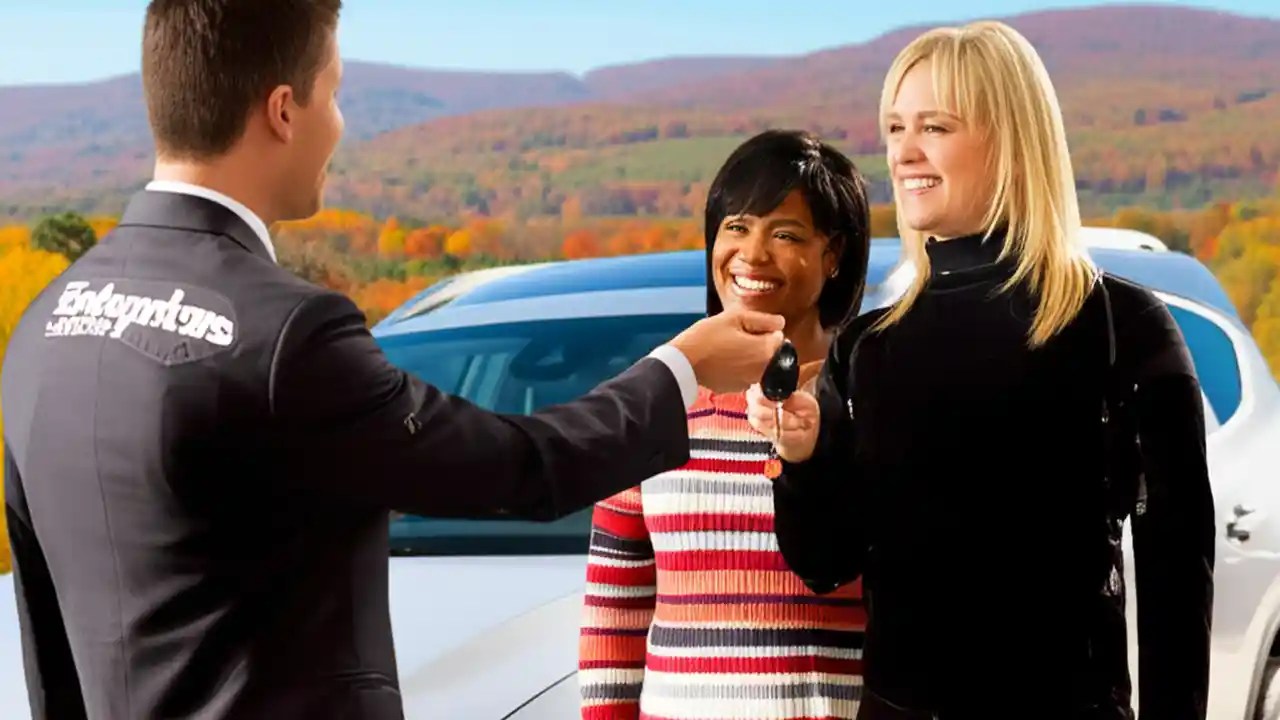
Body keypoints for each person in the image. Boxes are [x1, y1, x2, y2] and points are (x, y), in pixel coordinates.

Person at [0, 3, 787, 719]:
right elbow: (523, 467)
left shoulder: (44, 324)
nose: (338, 125)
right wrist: (681, 366)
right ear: (282, 111)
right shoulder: (288, 332)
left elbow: (44, 638)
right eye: (332, 94)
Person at [746, 21, 1215, 720]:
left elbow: (1178, 575)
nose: (904, 152)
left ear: (1014, 141)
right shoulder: (867, 348)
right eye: (896, 126)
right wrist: (803, 457)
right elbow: (825, 561)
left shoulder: (1122, 326)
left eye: (935, 126)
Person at [578, 129, 873, 720]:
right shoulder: (657, 401)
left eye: (784, 234)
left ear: (833, 254)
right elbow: (615, 612)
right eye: (736, 226)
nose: (751, 254)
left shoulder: (875, 399)